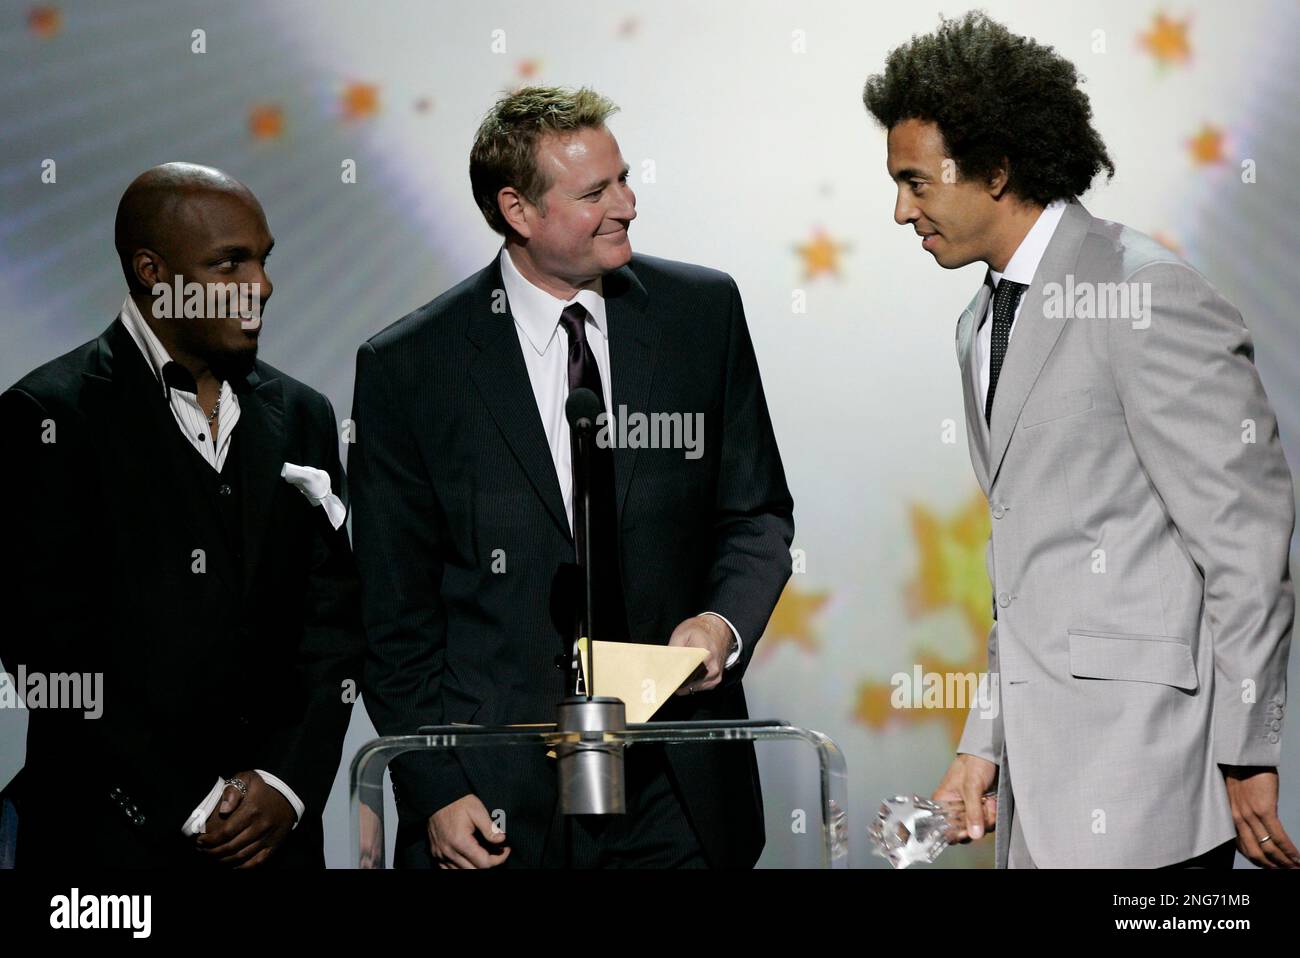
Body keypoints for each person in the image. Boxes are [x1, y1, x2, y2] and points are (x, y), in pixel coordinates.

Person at [863, 12, 1296, 868]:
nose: (901, 210)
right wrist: (982, 746)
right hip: (1040, 795)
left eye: (916, 183)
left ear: (995, 170)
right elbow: (1029, 577)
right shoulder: (978, 323)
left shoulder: (1146, 293)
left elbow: (1245, 541)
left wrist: (1248, 751)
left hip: (1152, 784)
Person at [352, 86, 794, 868]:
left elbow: (754, 514)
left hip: (676, 789)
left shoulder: (700, 315)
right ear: (518, 210)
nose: (627, 205)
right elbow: (394, 611)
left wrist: (720, 624)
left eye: (624, 179)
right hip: (499, 795)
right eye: (595, 193)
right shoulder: (412, 367)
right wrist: (434, 785)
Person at [0, 162, 363, 868]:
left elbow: (334, 624)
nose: (261, 285)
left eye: (263, 260)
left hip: (277, 845)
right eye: (230, 264)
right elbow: (49, 653)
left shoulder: (304, 414)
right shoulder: (50, 416)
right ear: (152, 272)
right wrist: (191, 803)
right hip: (110, 850)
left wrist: (287, 785)